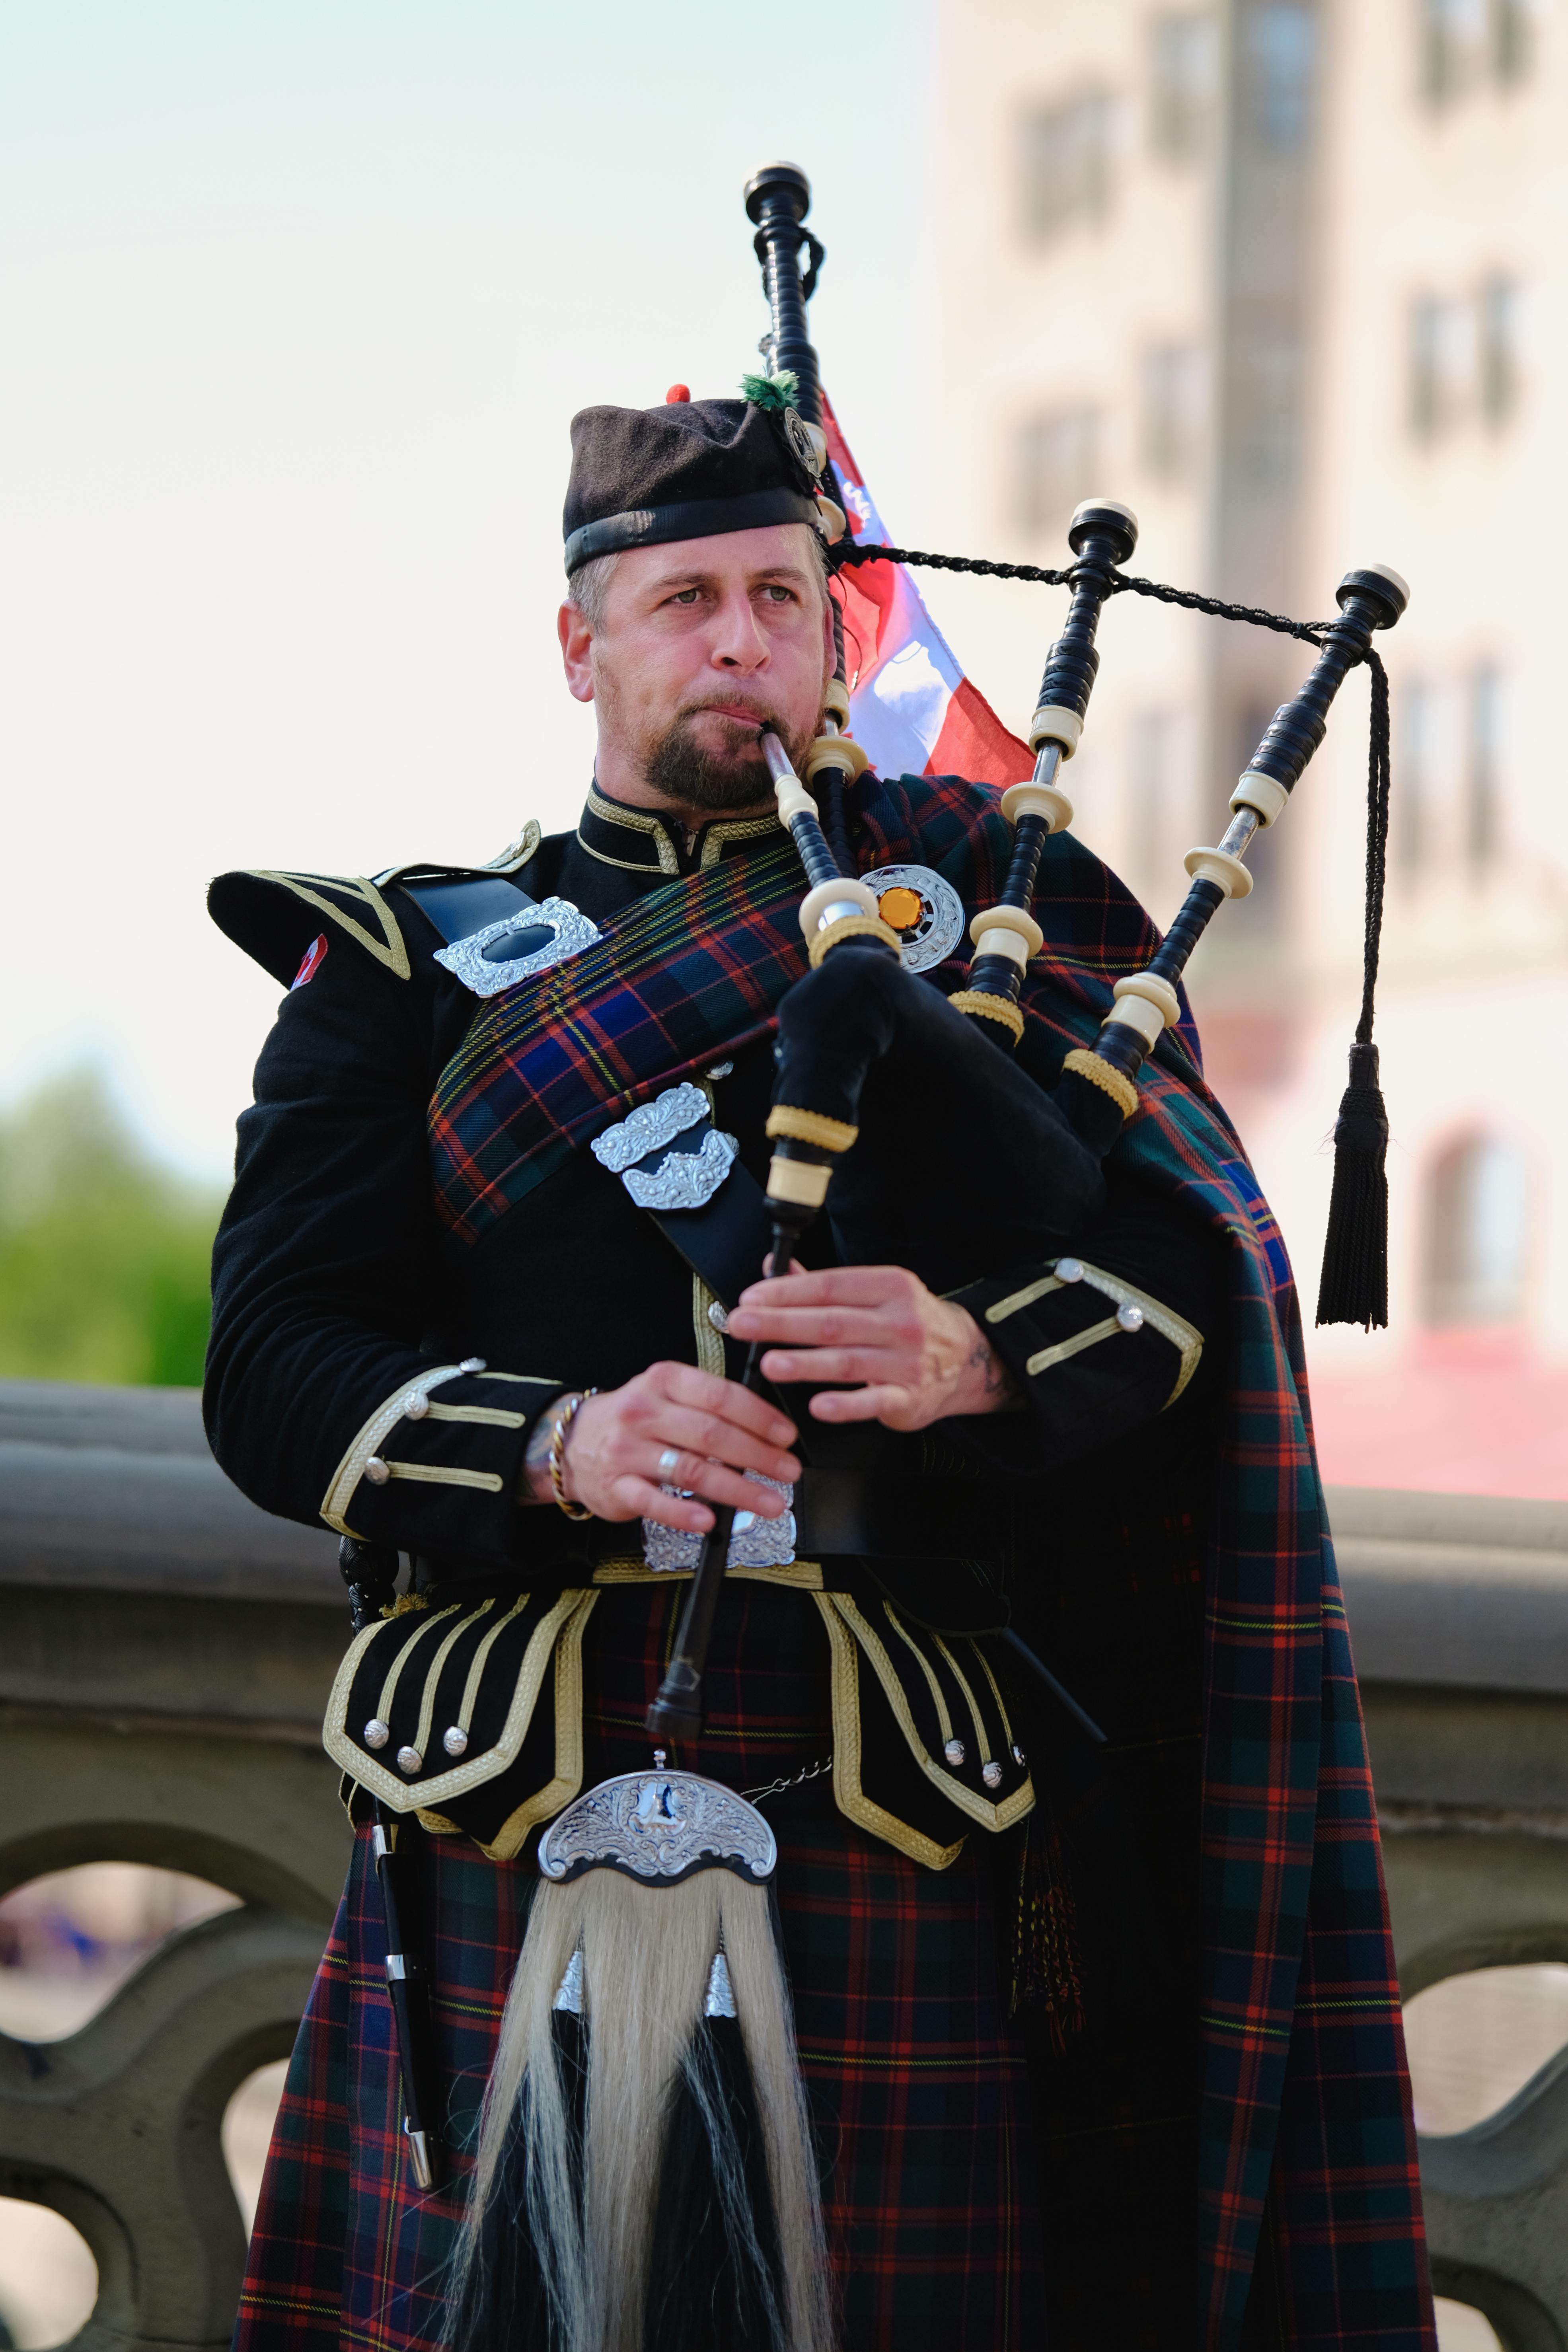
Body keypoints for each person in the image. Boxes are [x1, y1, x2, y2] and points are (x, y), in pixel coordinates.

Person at [207, 386, 1434, 2351]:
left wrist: (976, 1352)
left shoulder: (1002, 921)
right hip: (505, 1780)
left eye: (780, 595)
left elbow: (1181, 1266)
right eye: (681, 598)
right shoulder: (405, 965)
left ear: (839, 630)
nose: (737, 641)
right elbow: (270, 1366)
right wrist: (560, 1442)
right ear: (578, 642)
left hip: (899, 1786)